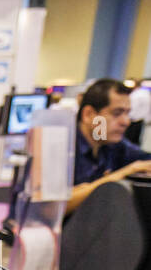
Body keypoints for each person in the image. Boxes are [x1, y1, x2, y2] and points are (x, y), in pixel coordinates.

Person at [63, 78, 151, 214]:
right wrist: (122, 174)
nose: (126, 122)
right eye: (117, 113)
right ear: (89, 114)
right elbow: (53, 208)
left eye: (127, 113)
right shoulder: (62, 147)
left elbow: (146, 161)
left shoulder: (112, 145)